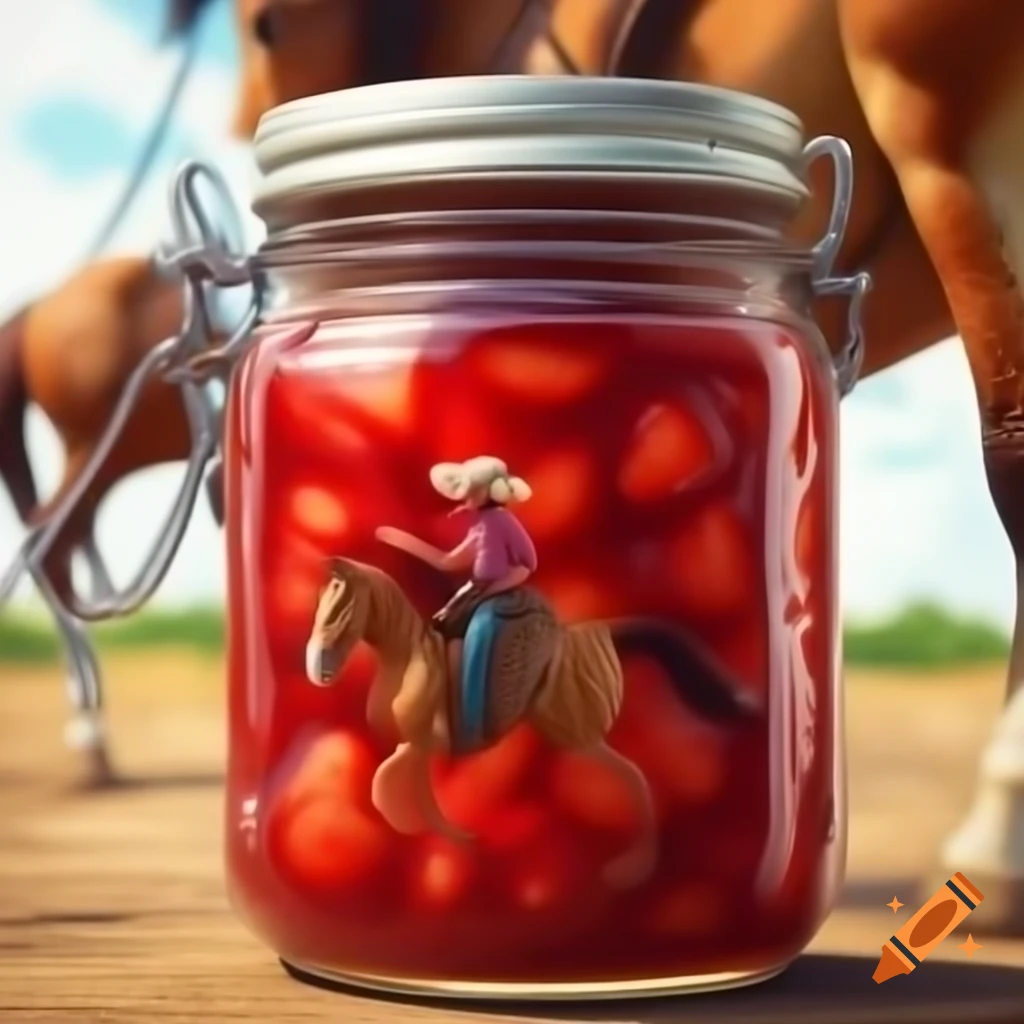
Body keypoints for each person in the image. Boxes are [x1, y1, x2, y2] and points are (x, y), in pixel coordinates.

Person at [375, 455, 537, 642]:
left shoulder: (502, 521)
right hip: (477, 587)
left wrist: (493, 590)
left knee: (475, 631)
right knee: (442, 621)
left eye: (473, 492)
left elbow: (528, 563)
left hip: (490, 591)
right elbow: (447, 562)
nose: (467, 497)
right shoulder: (481, 525)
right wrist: (400, 540)